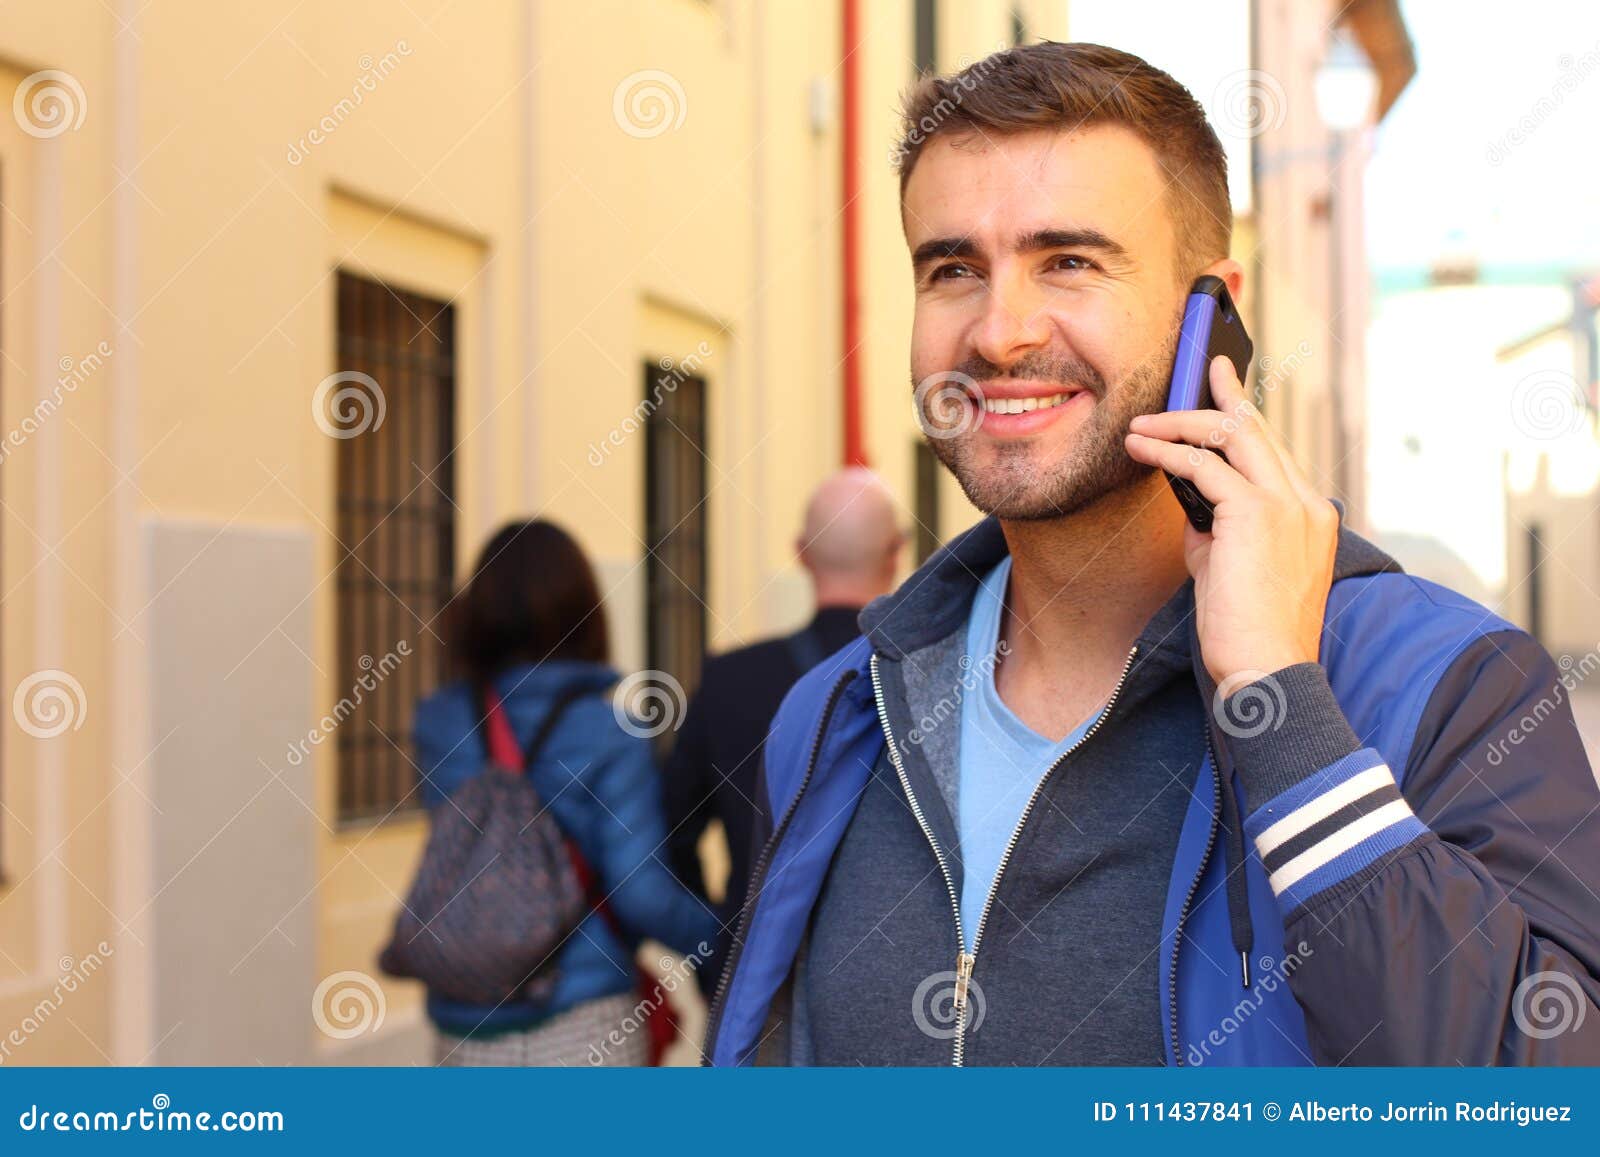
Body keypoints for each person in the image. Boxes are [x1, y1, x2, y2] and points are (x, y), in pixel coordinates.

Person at [704, 42, 1600, 1066]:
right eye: (952, 269)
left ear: (1206, 315)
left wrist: (1285, 710)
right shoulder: (834, 714)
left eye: (1069, 261)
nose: (998, 332)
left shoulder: (1448, 685)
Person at [414, 519, 718, 1065]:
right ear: (584, 612)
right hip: (582, 1021)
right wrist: (730, 939)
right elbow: (640, 893)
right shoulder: (612, 734)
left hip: (466, 1024)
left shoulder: (439, 723)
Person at [663, 468, 903, 995]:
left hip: (752, 980)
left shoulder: (729, 679)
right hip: (887, 986)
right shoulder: (924, 676)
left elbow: (671, 834)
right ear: (897, 552)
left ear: (801, 552)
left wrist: (716, 943)